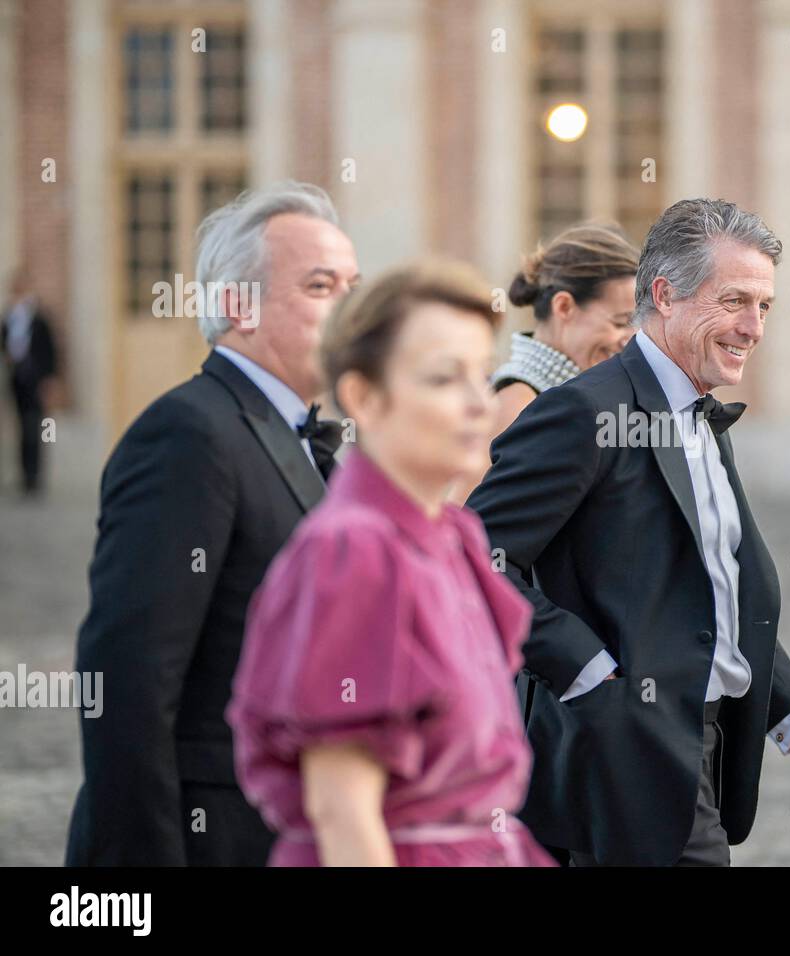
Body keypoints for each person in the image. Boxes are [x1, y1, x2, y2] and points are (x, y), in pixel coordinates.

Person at [467, 198, 790, 866]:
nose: (753, 327)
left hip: (704, 748)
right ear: (665, 295)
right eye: (735, 300)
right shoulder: (581, 412)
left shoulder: (699, 410)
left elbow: (717, 584)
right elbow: (472, 557)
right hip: (616, 760)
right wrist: (589, 674)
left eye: (764, 307)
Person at [65, 181, 360, 866]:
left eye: (355, 285)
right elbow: (126, 680)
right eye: (322, 287)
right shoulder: (189, 434)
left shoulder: (305, 439)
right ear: (238, 306)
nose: (353, 310)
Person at [226, 261, 555, 867]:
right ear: (363, 397)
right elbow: (343, 813)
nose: (478, 404)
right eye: (442, 379)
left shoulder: (450, 538)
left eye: (481, 377)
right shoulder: (354, 551)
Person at [450, 222, 638, 506]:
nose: (631, 339)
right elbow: (468, 519)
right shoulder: (516, 401)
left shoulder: (568, 393)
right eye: (620, 322)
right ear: (563, 307)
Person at [1, 269, 58, 495]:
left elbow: (50, 350)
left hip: (37, 380)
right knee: (21, 427)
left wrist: (50, 379)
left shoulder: (40, 318)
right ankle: (24, 475)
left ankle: (36, 475)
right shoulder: (9, 318)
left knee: (39, 428)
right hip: (17, 379)